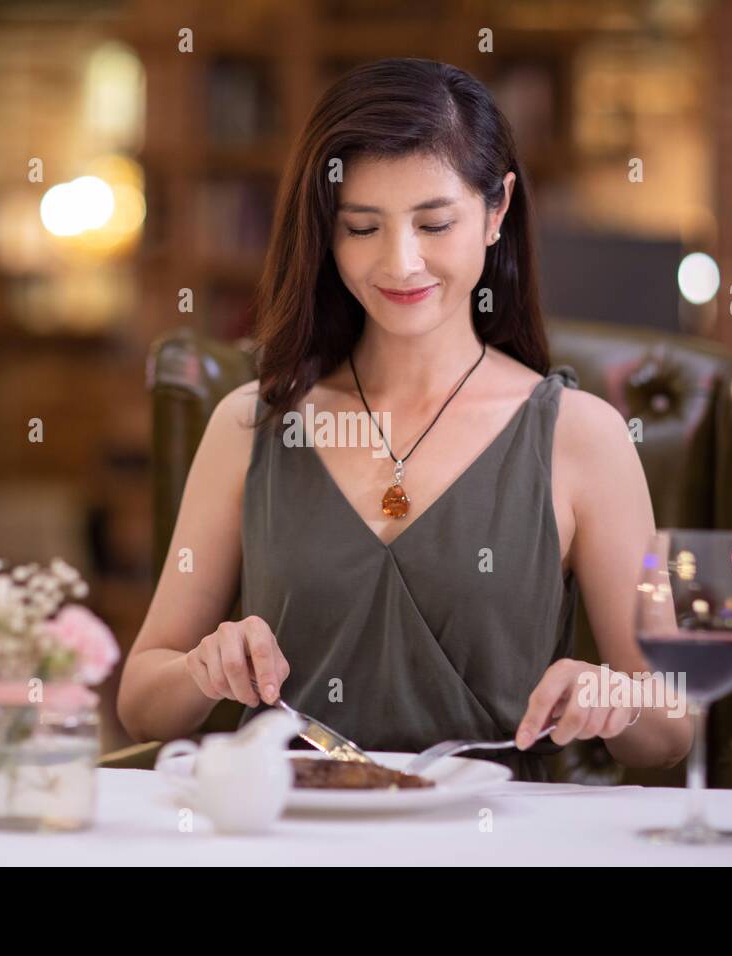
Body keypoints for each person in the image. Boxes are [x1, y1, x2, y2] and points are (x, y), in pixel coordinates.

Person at [118, 58, 693, 781]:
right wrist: (203, 670)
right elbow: (143, 702)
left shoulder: (581, 435)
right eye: (362, 228)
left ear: (496, 211)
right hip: (296, 830)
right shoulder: (251, 426)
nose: (400, 263)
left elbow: (672, 727)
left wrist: (617, 698)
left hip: (495, 838)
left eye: (435, 222)